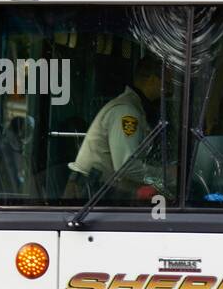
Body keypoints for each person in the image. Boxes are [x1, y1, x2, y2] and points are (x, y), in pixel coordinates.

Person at [66, 52, 168, 197]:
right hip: (90, 194)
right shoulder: (126, 112)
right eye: (168, 84)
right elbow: (126, 167)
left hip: (101, 189)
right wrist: (166, 175)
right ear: (152, 80)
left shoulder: (137, 108)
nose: (170, 90)